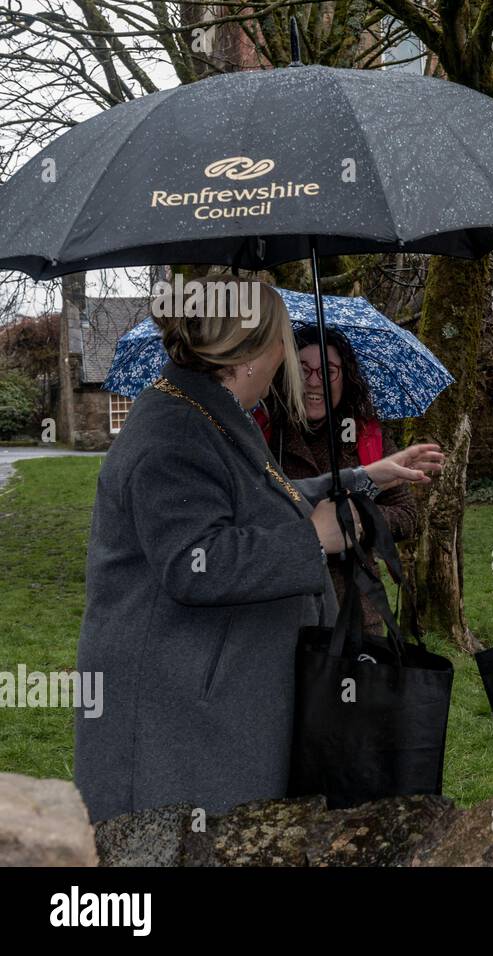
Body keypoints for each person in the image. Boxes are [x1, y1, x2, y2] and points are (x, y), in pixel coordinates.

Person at [74, 277, 443, 823]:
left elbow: (261, 498)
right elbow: (195, 564)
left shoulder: (208, 413)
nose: (288, 358)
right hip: (177, 706)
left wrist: (366, 476)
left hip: (209, 691)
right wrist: (313, 537)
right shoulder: (174, 433)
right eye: (284, 343)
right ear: (252, 352)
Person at [263, 326, 416, 637]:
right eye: (302, 370)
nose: (313, 382)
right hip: (287, 615)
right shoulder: (263, 436)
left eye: (327, 371)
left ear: (345, 377)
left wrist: (358, 521)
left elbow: (408, 515)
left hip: (359, 613)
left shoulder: (366, 437)